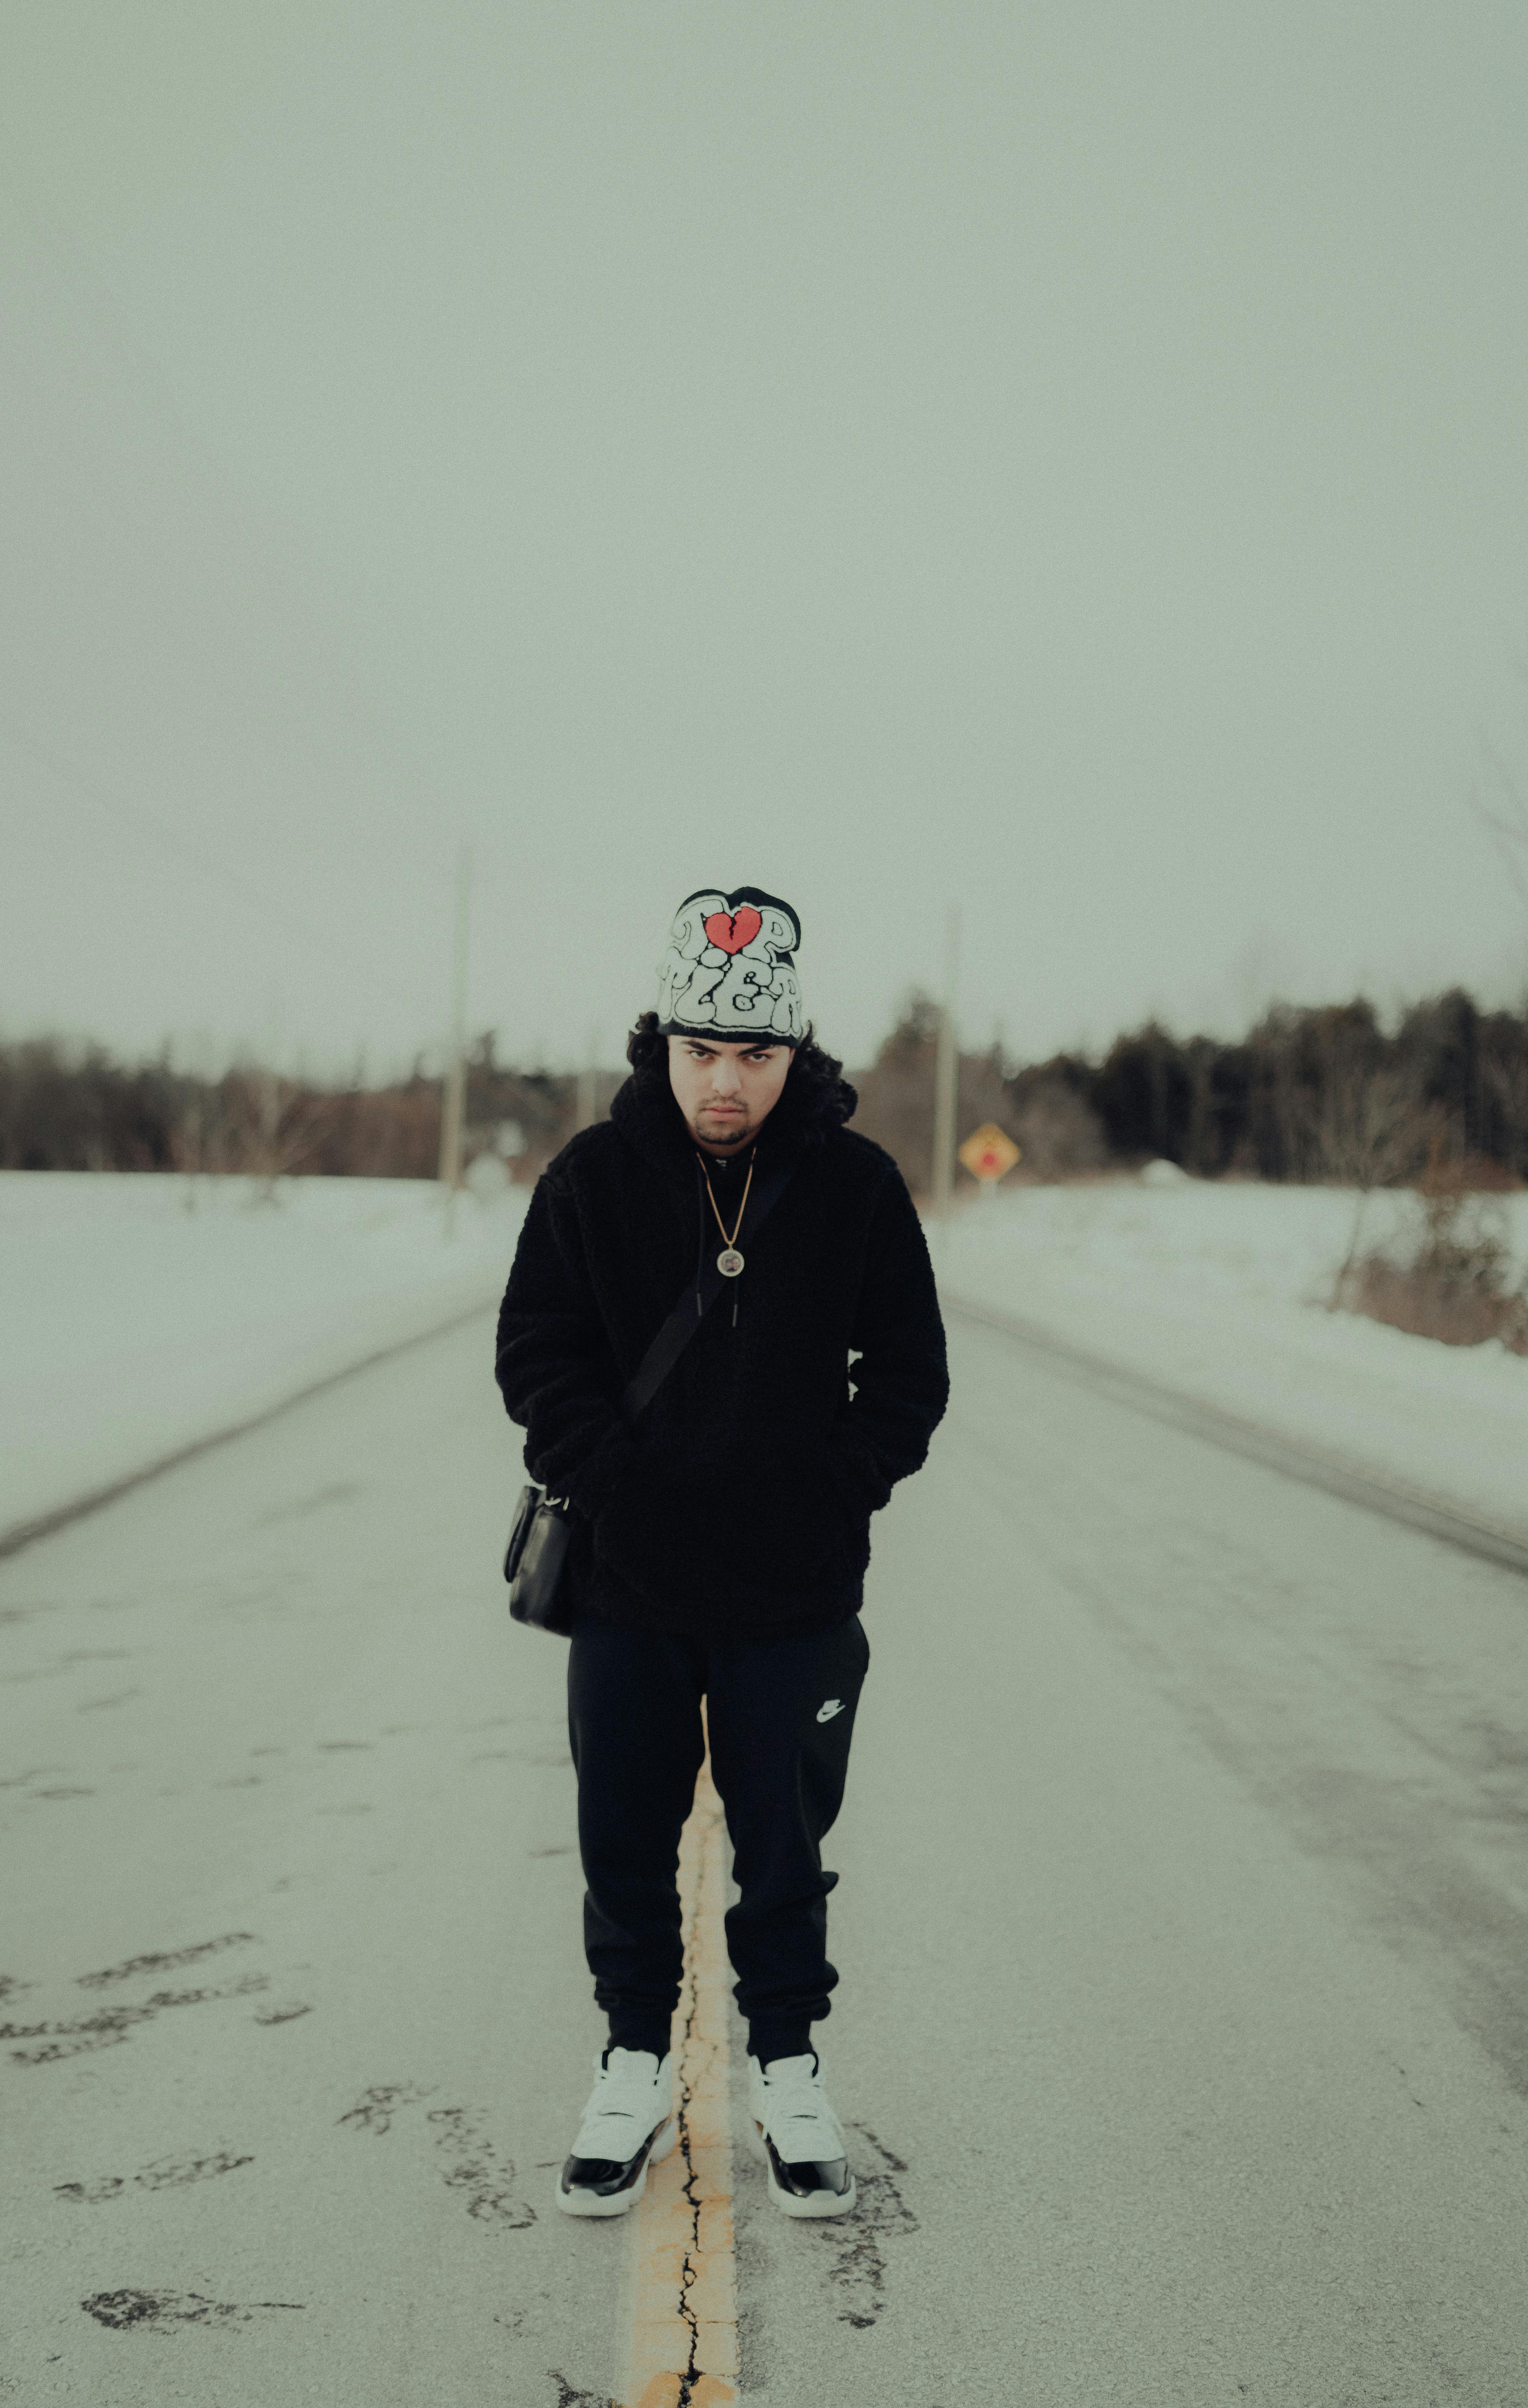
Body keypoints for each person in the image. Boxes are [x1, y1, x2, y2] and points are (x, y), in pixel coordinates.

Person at [495, 884, 948, 2220]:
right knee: (623, 1836)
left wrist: (835, 1492)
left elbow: (910, 1375)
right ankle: (633, 2061)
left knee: (786, 1841)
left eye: (755, 1053)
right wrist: (616, 1486)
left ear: (796, 1051)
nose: (727, 1079)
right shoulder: (592, 1177)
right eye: (702, 1050)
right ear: (664, 1044)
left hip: (793, 1594)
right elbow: (538, 1353)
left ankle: (792, 2069)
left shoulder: (857, 1188)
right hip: (631, 1588)